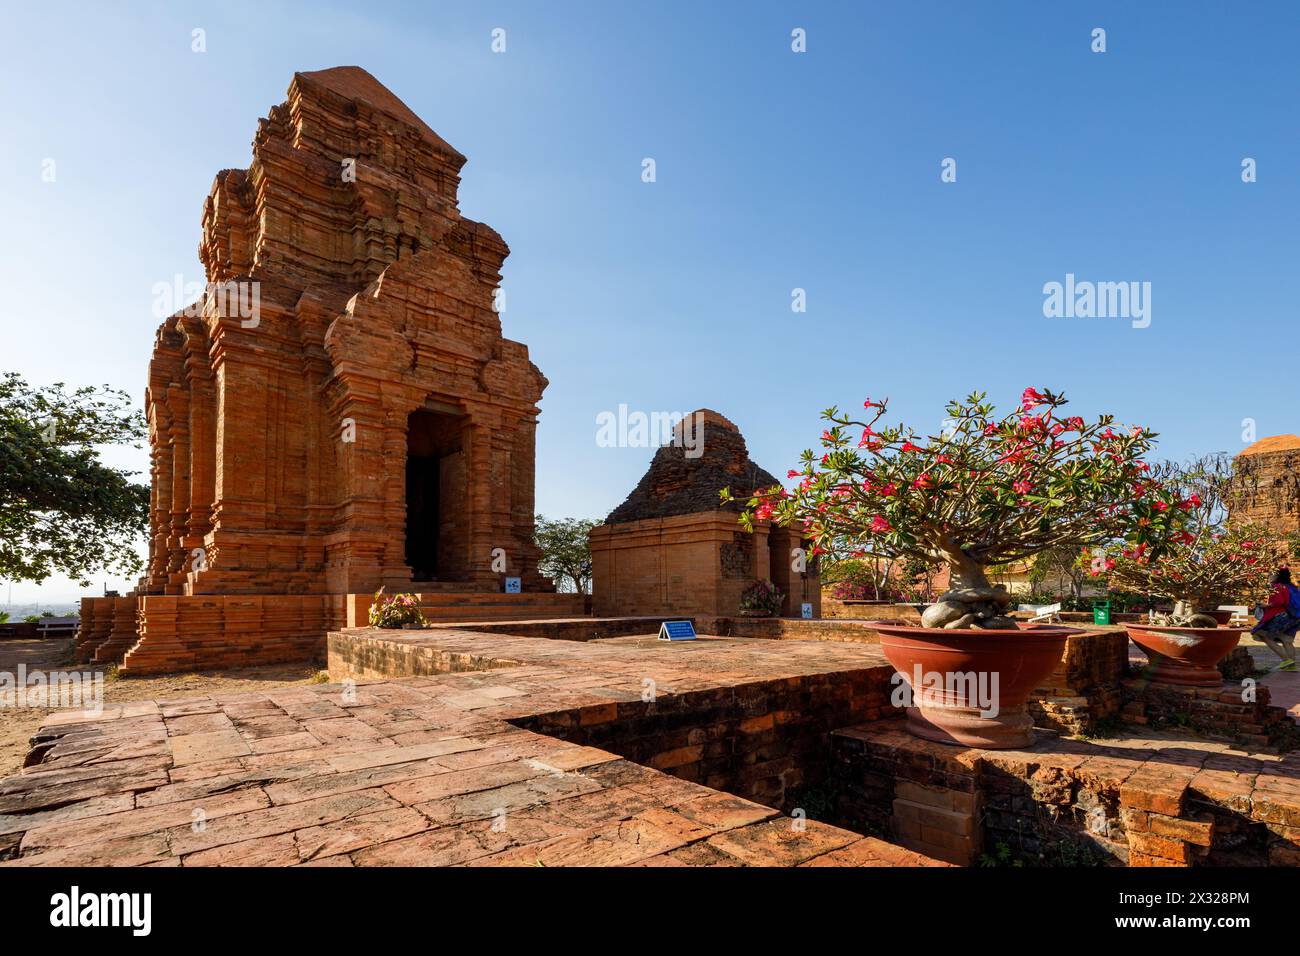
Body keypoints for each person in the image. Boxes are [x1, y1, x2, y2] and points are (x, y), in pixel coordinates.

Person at [1252, 568, 1299, 671]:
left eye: (1271, 575)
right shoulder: (1292, 587)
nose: (1268, 577)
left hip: (1282, 616)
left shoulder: (1277, 586)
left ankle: (1286, 660)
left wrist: (1265, 605)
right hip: (1295, 617)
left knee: (1262, 634)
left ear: (1277, 576)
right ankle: (1291, 666)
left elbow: (1279, 602)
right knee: (1287, 640)